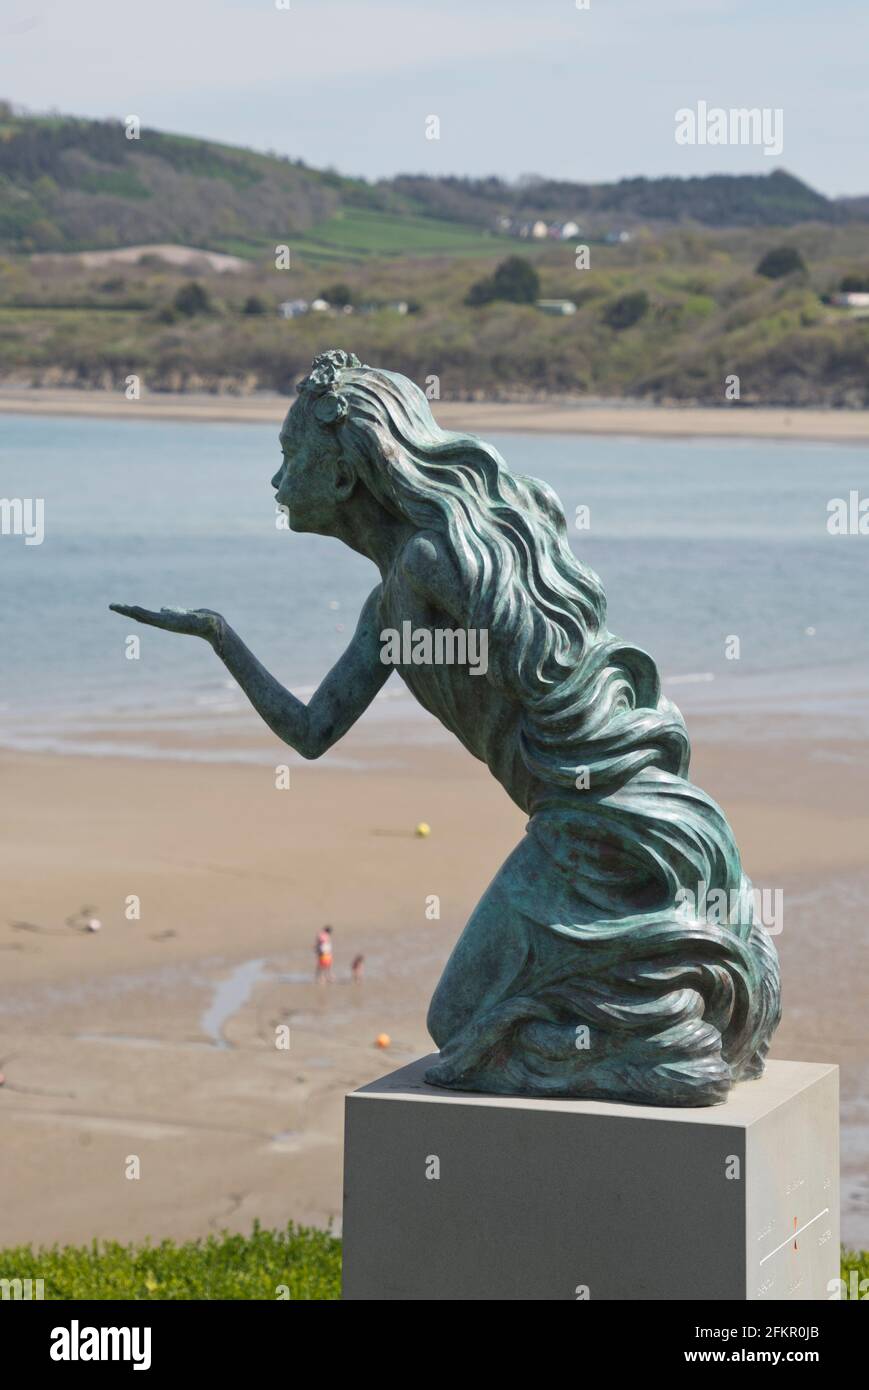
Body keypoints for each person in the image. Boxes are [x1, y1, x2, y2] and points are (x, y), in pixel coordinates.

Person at [111, 349, 780, 1105]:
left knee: (459, 1021)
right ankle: (655, 1024)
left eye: (289, 456)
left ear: (341, 476)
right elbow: (311, 730)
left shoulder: (436, 562)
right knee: (467, 1021)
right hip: (579, 813)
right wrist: (220, 636)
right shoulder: (390, 601)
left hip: (590, 820)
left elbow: (549, 673)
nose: (275, 481)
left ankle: (663, 1053)